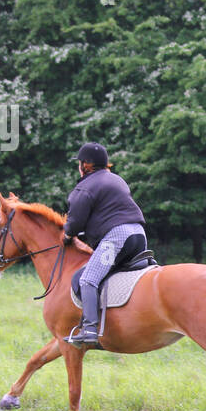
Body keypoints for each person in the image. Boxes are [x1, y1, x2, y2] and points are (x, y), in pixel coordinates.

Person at [62, 142, 147, 347]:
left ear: (86, 165)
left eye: (79, 163)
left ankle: (90, 329)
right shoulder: (117, 180)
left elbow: (74, 222)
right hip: (138, 235)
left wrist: (67, 235)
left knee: (88, 279)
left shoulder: (85, 187)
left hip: (116, 239)